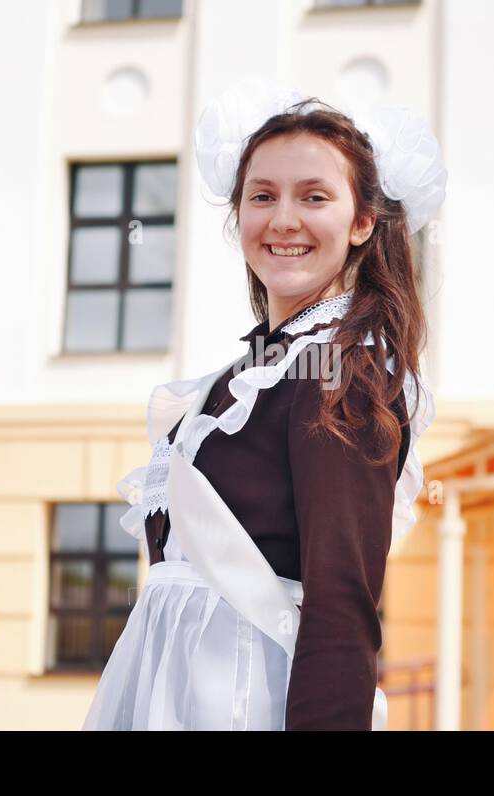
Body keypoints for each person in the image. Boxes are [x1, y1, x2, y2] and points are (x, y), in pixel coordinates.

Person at [81, 77, 445, 731]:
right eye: (262, 196)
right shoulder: (247, 378)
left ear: (363, 220)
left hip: (251, 706)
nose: (282, 219)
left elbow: (341, 602)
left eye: (314, 196)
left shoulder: (344, 373)